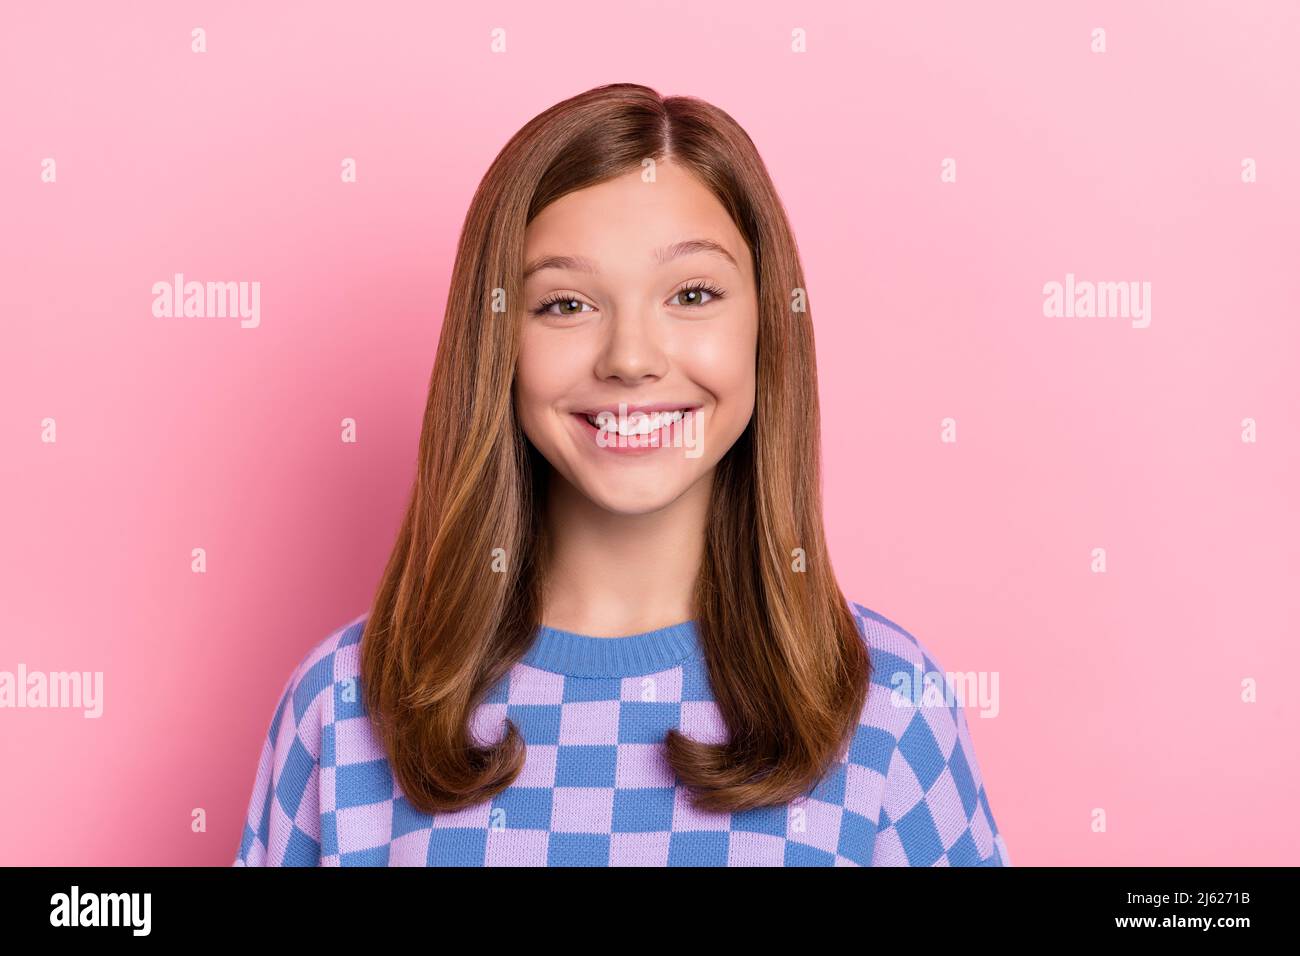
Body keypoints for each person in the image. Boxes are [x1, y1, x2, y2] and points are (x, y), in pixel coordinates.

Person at [234, 82, 1010, 867]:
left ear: (766, 326)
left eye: (693, 294)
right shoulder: (342, 707)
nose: (631, 358)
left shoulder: (889, 710)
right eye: (566, 304)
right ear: (496, 342)